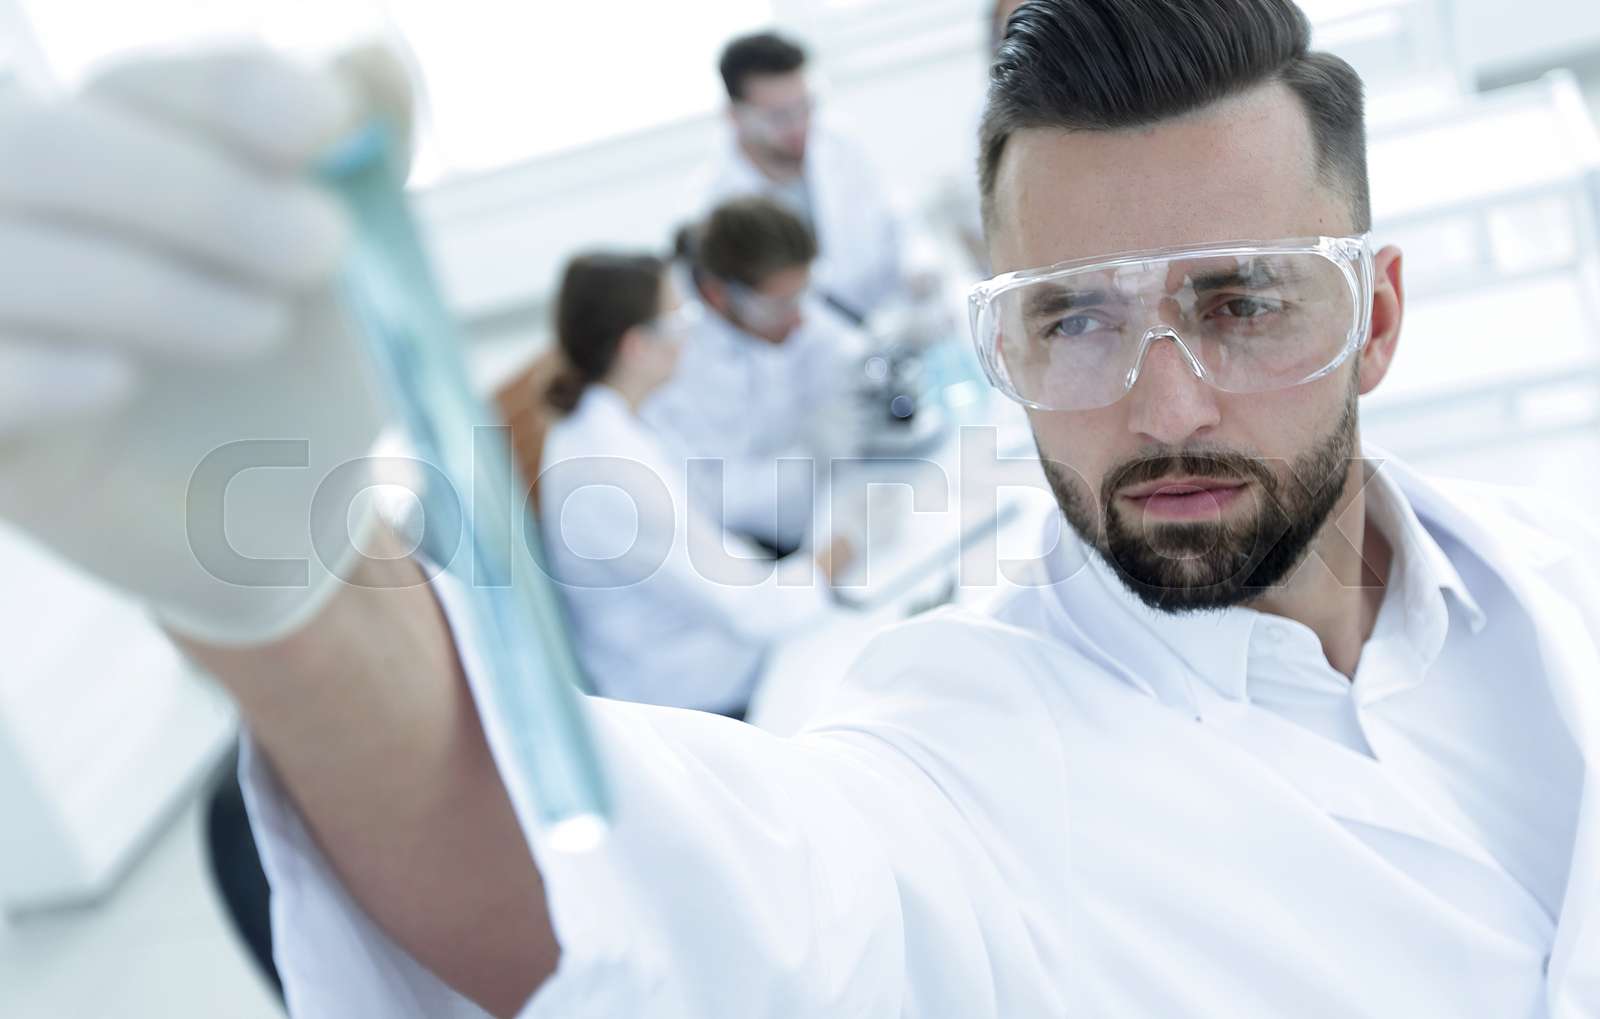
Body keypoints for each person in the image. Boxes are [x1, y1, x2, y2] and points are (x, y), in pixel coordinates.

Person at [1, 5, 1596, 1019]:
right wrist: (280, 583)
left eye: (1244, 302)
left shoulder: (1560, 571)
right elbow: (637, 902)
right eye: (1075, 321)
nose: (1165, 408)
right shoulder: (958, 757)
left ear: (1378, 315)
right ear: (1011, 341)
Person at [493, 252, 838, 717]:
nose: (688, 335)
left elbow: (716, 538)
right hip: (703, 698)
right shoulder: (607, 470)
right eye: (679, 319)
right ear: (636, 345)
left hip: (717, 650)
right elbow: (749, 613)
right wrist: (837, 558)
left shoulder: (615, 423)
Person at [644, 197, 861, 558]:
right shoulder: (673, 362)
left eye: (801, 297)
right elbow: (717, 501)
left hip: (822, 508)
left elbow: (837, 363)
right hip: (758, 551)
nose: (799, 320)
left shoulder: (776, 299)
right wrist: (815, 466)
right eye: (780, 307)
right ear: (717, 294)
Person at [705, 30, 903, 325]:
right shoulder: (718, 201)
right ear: (734, 116)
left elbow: (894, 221)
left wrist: (918, 267)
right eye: (779, 117)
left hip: (886, 316)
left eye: (805, 107)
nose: (799, 126)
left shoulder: (840, 144)